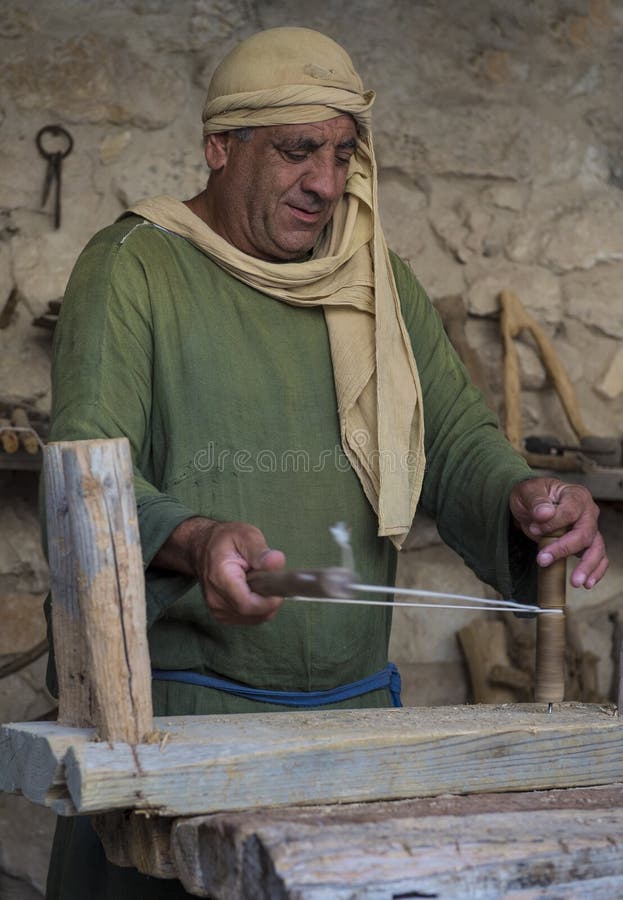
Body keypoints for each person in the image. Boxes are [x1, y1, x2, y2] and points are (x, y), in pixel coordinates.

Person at [44, 26, 607, 899]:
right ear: (219, 147)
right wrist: (196, 540)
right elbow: (89, 489)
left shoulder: (374, 279)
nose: (326, 181)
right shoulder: (133, 268)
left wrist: (527, 498)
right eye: (297, 151)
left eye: (343, 153)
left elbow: (457, 442)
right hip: (176, 734)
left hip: (353, 734)